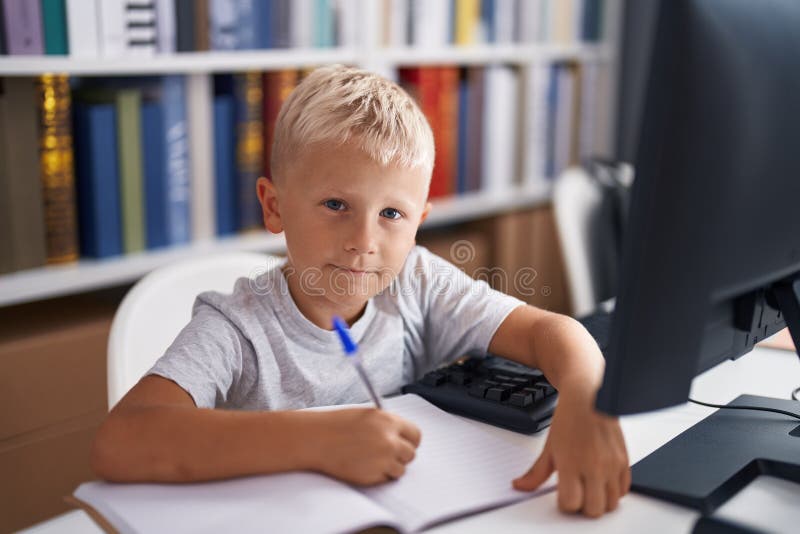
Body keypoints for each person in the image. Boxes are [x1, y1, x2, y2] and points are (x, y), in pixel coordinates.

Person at [91, 65, 630, 518]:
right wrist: (316, 440)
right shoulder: (236, 327)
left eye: (391, 214)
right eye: (335, 205)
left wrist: (585, 401)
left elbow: (551, 332)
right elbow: (121, 441)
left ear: (418, 222)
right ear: (274, 206)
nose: (363, 242)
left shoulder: (417, 283)